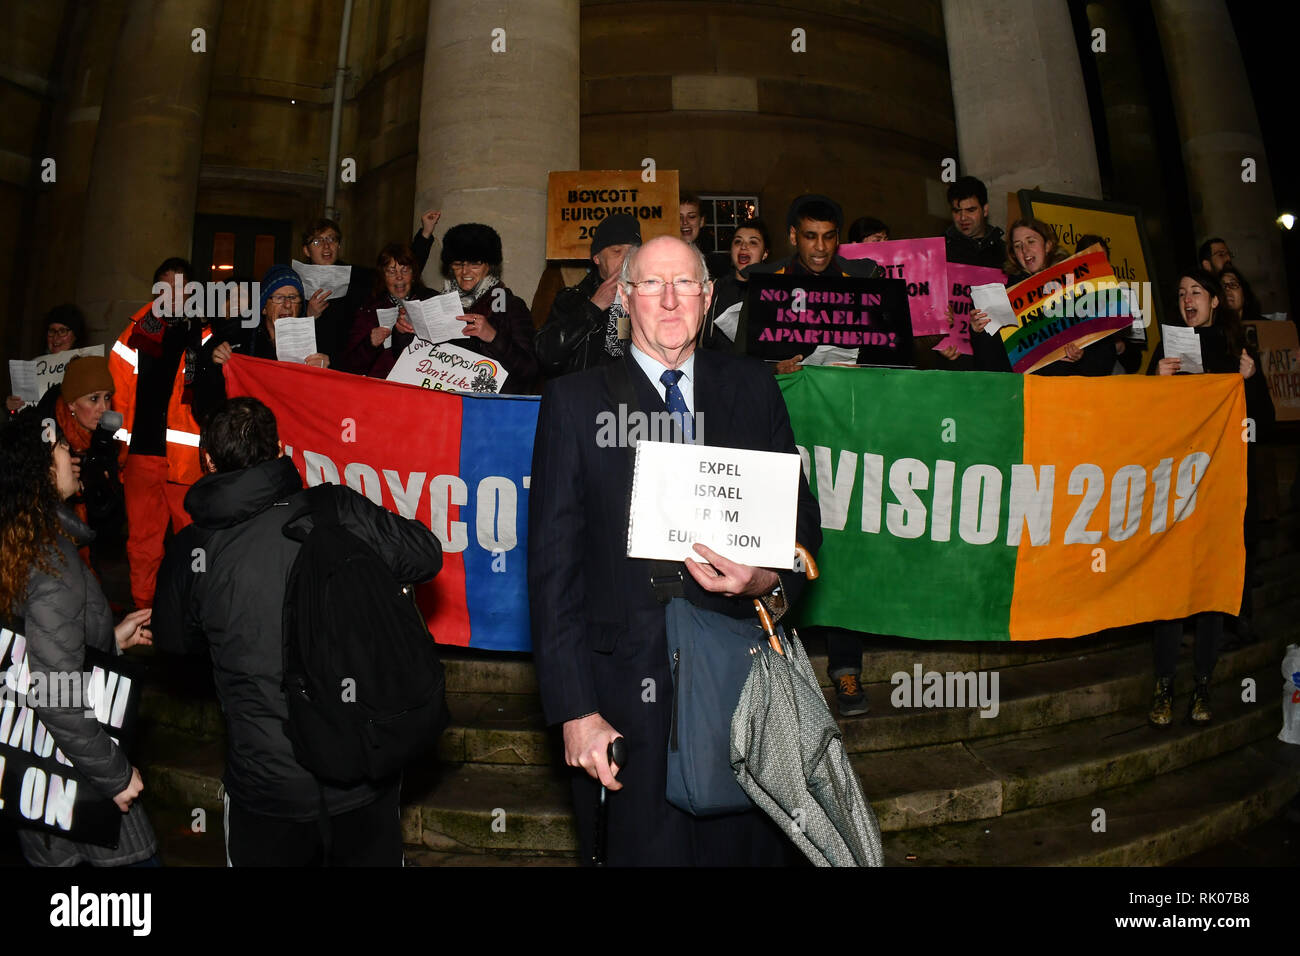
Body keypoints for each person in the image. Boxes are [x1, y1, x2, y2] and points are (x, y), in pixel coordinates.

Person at [528, 235, 822, 865]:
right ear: (625, 299)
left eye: (685, 283)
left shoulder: (754, 388)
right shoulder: (575, 405)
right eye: (651, 285)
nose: (668, 299)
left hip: (740, 686)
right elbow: (552, 572)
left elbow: (803, 530)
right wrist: (575, 711)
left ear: (708, 297)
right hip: (621, 700)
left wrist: (766, 580)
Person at [151, 397, 443, 866]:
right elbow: (426, 555)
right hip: (359, 773)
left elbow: (172, 643)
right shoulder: (333, 508)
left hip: (266, 789)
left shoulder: (192, 550)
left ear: (207, 461)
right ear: (281, 448)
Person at [0, 409, 156, 866]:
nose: (74, 455)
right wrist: (115, 776)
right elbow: (54, 693)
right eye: (63, 449)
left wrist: (110, 640)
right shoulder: (52, 561)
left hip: (35, 776)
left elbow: (39, 647)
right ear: (43, 469)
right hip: (76, 778)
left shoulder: (19, 542)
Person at [1145, 270, 1273, 726]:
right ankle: (1163, 687)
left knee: (1211, 590)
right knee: (1170, 592)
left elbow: (1262, 425)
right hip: (1176, 490)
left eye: (1196, 292)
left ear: (1215, 302)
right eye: (1180, 294)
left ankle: (1202, 685)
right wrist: (1156, 380)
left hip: (1219, 490)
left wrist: (1250, 380)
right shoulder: (1167, 349)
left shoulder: (1235, 348)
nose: (1187, 300)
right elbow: (1142, 420)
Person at [107, 257, 208, 610]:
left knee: (194, 541)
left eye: (182, 288)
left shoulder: (205, 334)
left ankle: (193, 612)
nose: (174, 295)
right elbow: (116, 393)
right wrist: (118, 449)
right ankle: (144, 612)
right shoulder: (135, 331)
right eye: (166, 288)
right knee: (143, 542)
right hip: (141, 455)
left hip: (186, 463)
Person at [732, 193, 880, 371]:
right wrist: (774, 369)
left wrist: (865, 365)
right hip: (786, 393)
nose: (820, 247)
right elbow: (741, 359)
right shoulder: (766, 286)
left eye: (828, 236)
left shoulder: (861, 283)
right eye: (810, 236)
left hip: (847, 393)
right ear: (794, 236)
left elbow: (885, 351)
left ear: (838, 238)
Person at [970, 218, 1117, 376]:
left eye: (1031, 241)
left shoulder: (1077, 285)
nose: (1025, 250)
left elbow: (1105, 356)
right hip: (1025, 392)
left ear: (1048, 246)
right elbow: (990, 365)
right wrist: (980, 332)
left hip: (1069, 391)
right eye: (1018, 246)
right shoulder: (1005, 297)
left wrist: (1082, 356)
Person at [299, 212, 441, 366]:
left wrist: (425, 234)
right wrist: (309, 315)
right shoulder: (295, 284)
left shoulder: (357, 276)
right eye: (317, 241)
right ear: (306, 250)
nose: (326, 245)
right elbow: (284, 333)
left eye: (331, 239)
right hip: (312, 363)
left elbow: (401, 269)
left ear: (339, 245)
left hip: (350, 363)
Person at [35, 356, 126, 572]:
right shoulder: (44, 439)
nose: (104, 408)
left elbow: (110, 530)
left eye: (107, 397)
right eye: (94, 399)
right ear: (71, 404)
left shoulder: (107, 442)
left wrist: (103, 485)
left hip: (90, 560)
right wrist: (57, 486)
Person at [198, 265, 331, 409]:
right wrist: (216, 365)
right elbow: (204, 402)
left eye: (293, 297)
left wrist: (324, 375)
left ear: (300, 306)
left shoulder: (315, 344)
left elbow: (326, 405)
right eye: (278, 298)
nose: (287, 305)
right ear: (263, 308)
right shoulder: (237, 343)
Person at [433, 222, 541, 394]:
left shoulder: (510, 305)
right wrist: (404, 332)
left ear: (489, 266)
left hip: (491, 409)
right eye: (458, 264)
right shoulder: (439, 303)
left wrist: (493, 337)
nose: (465, 272)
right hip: (446, 404)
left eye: (474, 264)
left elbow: (530, 369)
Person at [535, 213, 641, 376]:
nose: (626, 259)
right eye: (617, 251)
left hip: (629, 398)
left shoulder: (648, 299)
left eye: (633, 252)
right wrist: (593, 308)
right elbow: (546, 354)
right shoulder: (572, 300)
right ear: (597, 258)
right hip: (585, 397)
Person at [339, 242, 438, 379]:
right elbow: (349, 367)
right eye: (391, 272)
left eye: (405, 270)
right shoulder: (369, 310)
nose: (399, 277)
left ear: (413, 274)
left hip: (420, 383)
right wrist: (370, 344)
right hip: (380, 387)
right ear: (383, 277)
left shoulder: (430, 301)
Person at [6, 305, 87, 413]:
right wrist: (9, 408)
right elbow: (15, 415)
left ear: (75, 335)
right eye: (51, 331)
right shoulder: (33, 367)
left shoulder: (88, 368)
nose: (56, 337)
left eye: (62, 331)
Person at [703, 217, 769, 349]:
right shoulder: (714, 288)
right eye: (738, 241)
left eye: (753, 243)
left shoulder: (775, 293)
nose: (744, 246)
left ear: (765, 254)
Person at [944, 176, 1006, 269]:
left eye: (970, 210)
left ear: (985, 210)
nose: (963, 217)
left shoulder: (1004, 252)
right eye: (957, 211)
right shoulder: (939, 251)